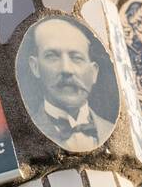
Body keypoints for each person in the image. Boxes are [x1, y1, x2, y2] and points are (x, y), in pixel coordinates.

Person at [24, 17, 115, 151]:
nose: (66, 69)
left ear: (93, 72)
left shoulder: (111, 129)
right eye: (52, 56)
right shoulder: (24, 137)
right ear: (35, 67)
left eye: (76, 57)